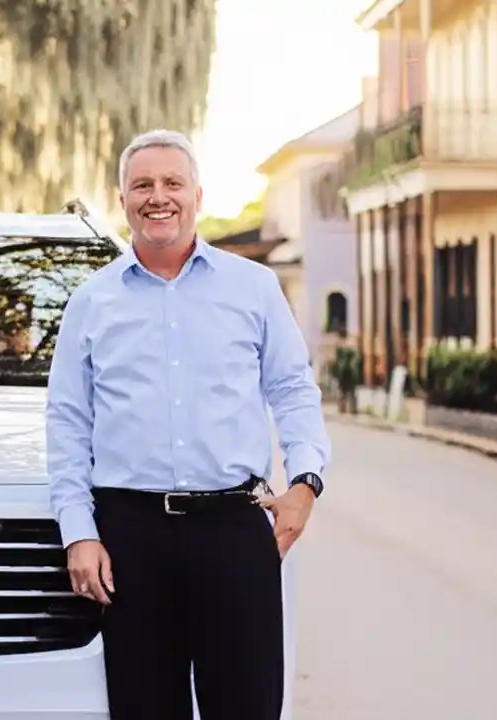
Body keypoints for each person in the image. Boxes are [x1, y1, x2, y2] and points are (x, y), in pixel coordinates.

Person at [45, 129, 330, 720]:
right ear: (122, 200)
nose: (158, 196)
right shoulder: (91, 302)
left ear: (198, 195)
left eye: (172, 182)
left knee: (247, 706)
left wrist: (305, 482)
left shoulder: (253, 287)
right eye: (142, 184)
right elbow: (69, 421)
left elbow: (293, 389)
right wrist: (79, 530)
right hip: (129, 539)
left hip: (235, 529)